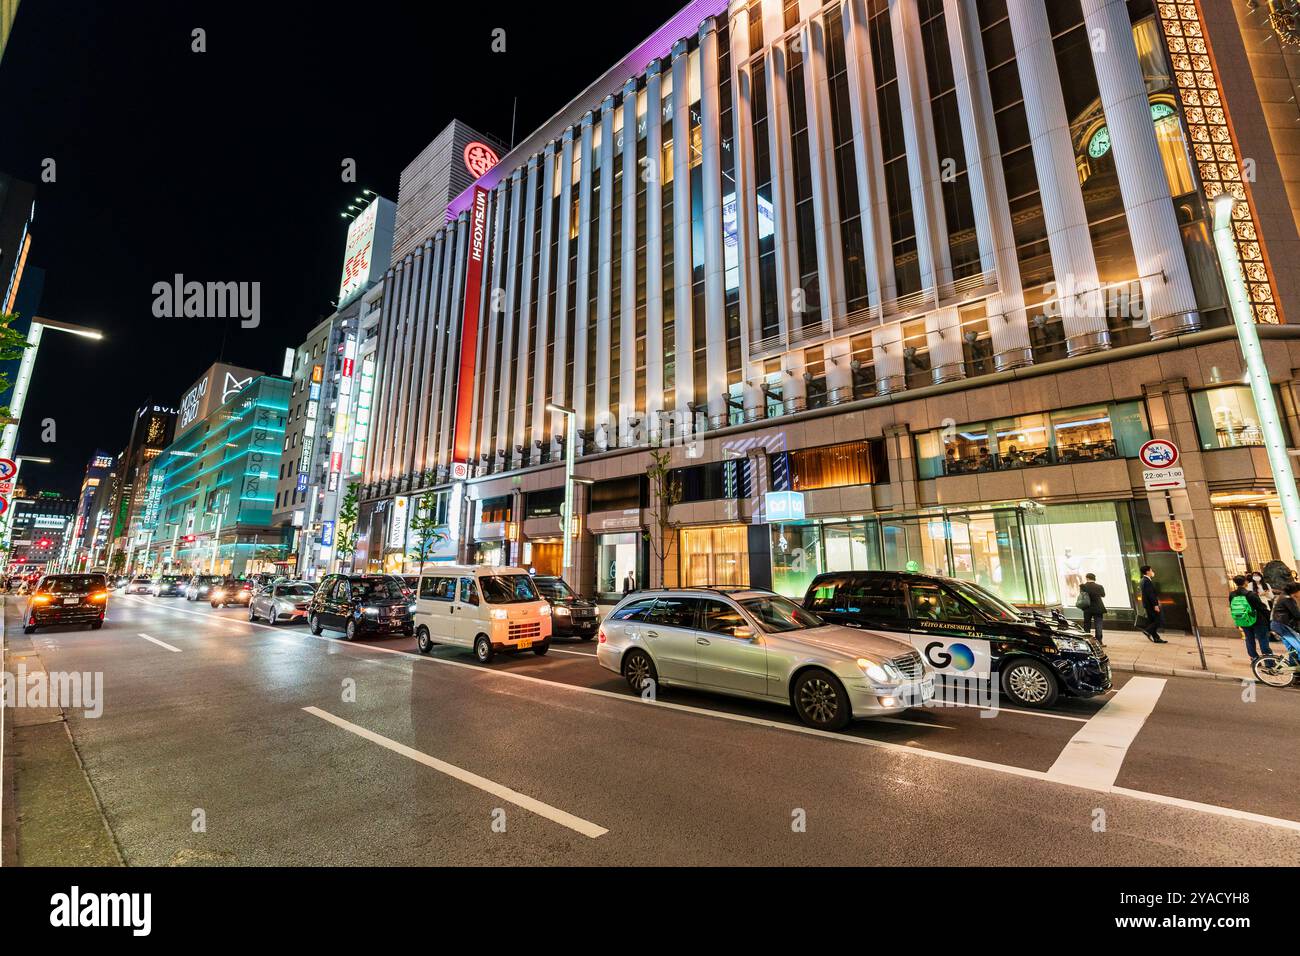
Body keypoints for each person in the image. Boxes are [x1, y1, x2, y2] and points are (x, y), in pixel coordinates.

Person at [1228, 574, 1274, 661]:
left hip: (1243, 620)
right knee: (1263, 640)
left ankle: (1255, 660)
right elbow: (1261, 608)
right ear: (1245, 582)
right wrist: (1269, 619)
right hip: (1258, 620)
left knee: (1249, 640)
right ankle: (1269, 662)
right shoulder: (1250, 594)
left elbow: (1232, 607)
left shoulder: (1232, 595)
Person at [1139, 565, 1167, 643]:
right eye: (1151, 570)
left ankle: (1156, 638)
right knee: (1158, 620)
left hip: (1147, 605)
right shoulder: (1147, 581)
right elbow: (1150, 594)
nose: (1152, 572)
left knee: (1152, 621)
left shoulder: (1143, 580)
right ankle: (1148, 631)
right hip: (1151, 605)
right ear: (1147, 571)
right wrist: (1155, 605)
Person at [1078, 572, 1107, 644]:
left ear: (1087, 578)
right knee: (1098, 624)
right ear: (1094, 578)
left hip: (1087, 608)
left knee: (1087, 624)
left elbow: (1082, 596)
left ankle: (1087, 641)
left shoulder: (1083, 586)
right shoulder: (1099, 586)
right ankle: (1099, 641)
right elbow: (1103, 595)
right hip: (1098, 608)